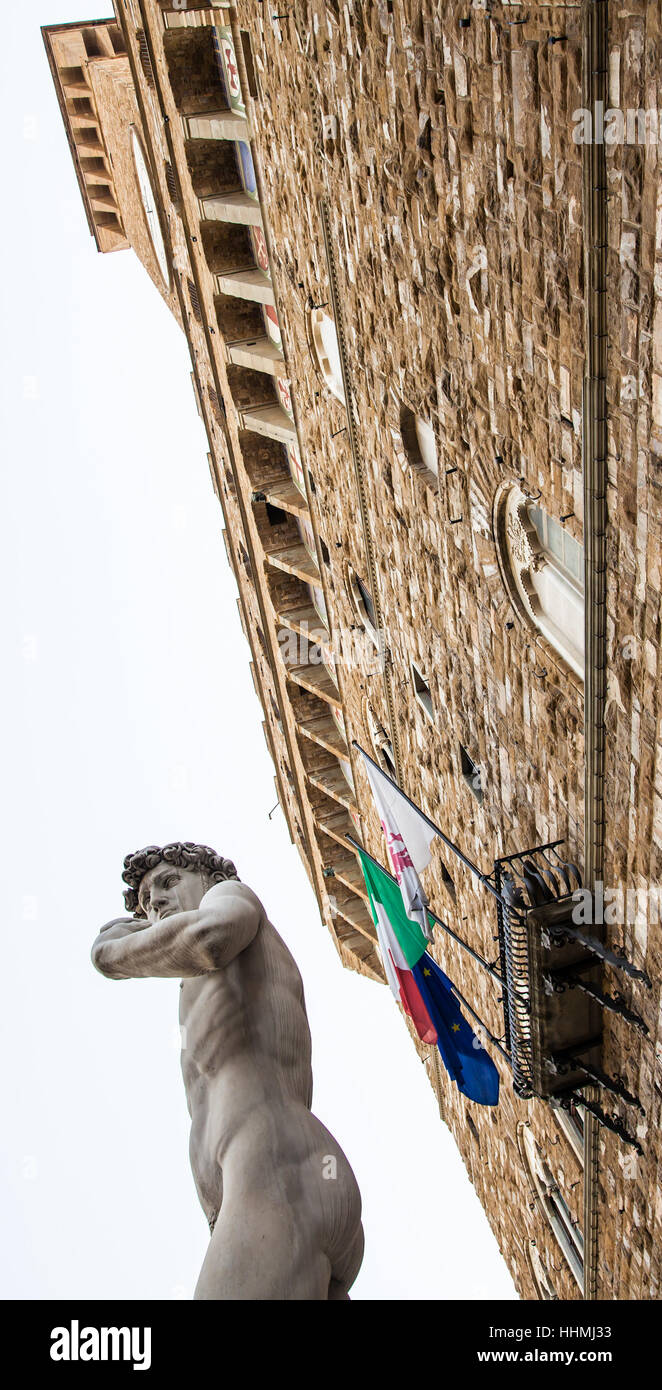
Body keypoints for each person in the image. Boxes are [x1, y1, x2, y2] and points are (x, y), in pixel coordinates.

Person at [91, 842, 364, 1300]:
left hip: (275, 1173)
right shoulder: (203, 988)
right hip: (264, 1188)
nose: (155, 901)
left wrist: (109, 954)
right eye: (144, 902)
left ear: (209, 879)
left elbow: (211, 936)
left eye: (169, 881)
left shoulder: (230, 896)